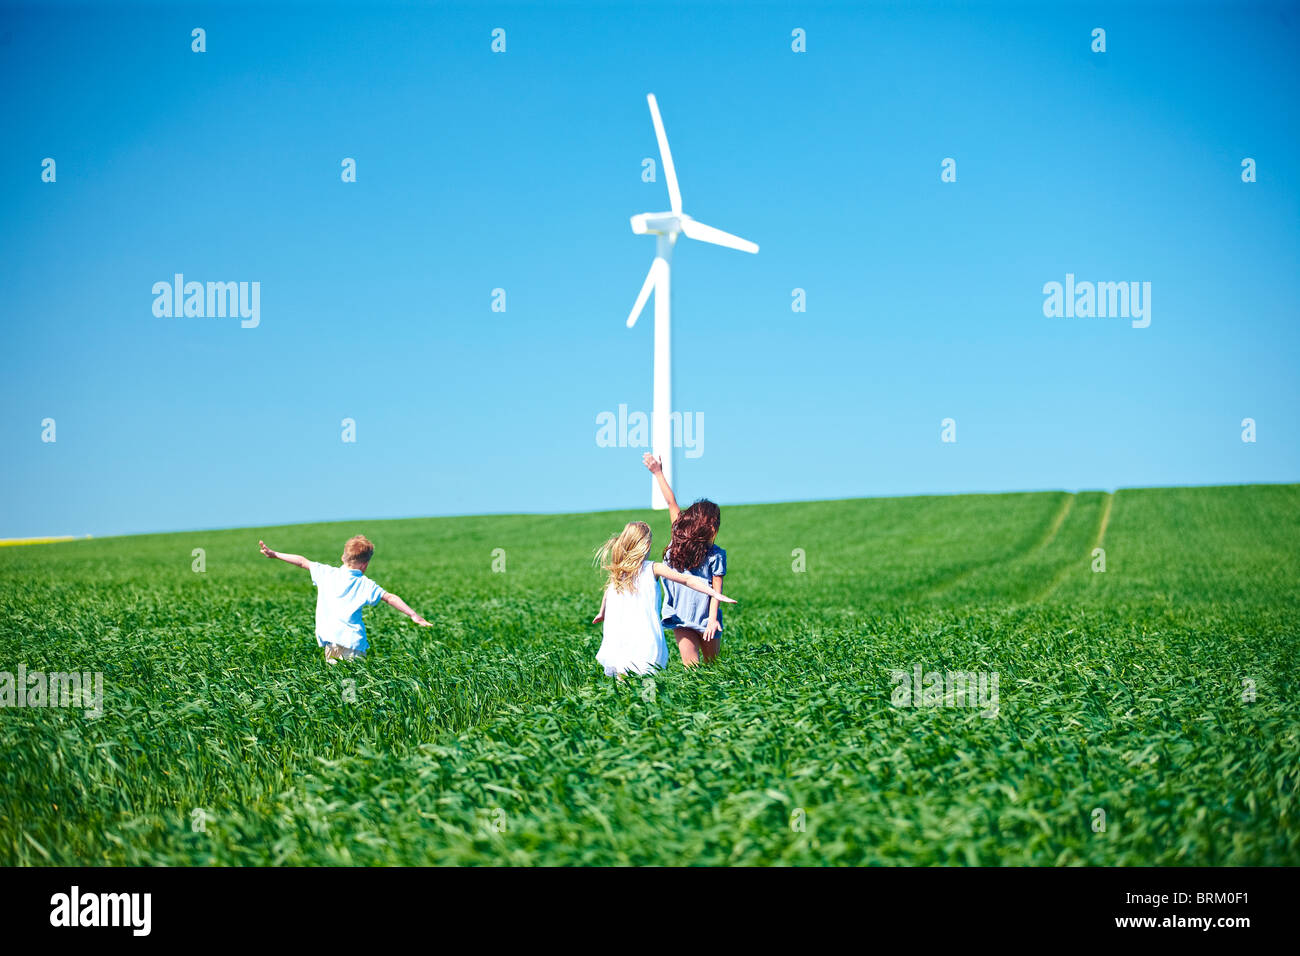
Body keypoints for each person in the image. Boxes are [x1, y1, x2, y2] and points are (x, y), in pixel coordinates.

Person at [591, 520, 735, 677]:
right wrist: (714, 593)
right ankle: (647, 699)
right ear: (645, 545)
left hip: (621, 635)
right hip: (645, 634)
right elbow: (687, 580)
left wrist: (602, 612)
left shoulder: (620, 572)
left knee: (622, 675)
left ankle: (622, 701)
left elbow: (609, 592)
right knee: (648, 679)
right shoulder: (653, 568)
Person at [258, 534, 431, 661]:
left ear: (343, 557)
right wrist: (414, 615)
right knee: (352, 691)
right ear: (365, 565)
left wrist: (275, 554)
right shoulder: (365, 583)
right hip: (353, 643)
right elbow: (390, 597)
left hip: (331, 642)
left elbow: (302, 561)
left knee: (339, 692)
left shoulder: (326, 573)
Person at [643, 453, 726, 666]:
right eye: (715, 522)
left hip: (706, 616)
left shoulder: (717, 554)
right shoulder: (678, 537)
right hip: (680, 615)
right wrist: (658, 472)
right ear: (707, 525)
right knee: (692, 668)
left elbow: (716, 591)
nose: (717, 527)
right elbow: (671, 501)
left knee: (713, 666)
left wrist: (713, 620)